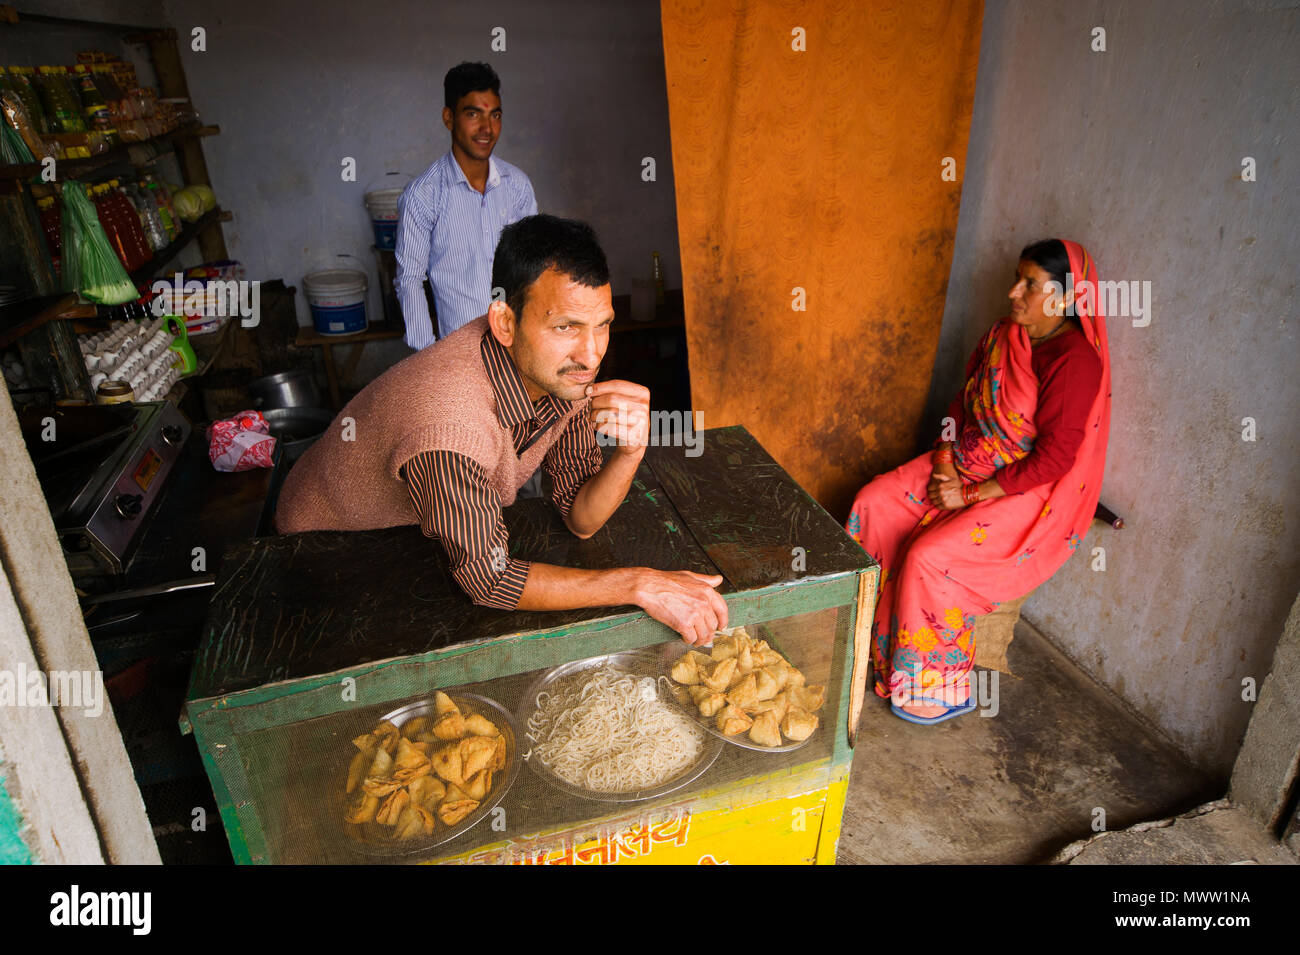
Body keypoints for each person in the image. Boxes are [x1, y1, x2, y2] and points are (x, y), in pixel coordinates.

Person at [276, 214, 728, 645]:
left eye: (602, 326)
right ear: (505, 323)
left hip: (412, 538)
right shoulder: (447, 425)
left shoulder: (559, 375)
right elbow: (490, 580)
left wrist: (630, 454)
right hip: (322, 556)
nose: (590, 355)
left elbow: (580, 519)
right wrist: (640, 584)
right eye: (566, 326)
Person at [845, 239, 1110, 723]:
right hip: (962, 462)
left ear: (1067, 298)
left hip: (1023, 490)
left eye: (1030, 283)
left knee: (932, 558)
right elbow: (960, 405)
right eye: (1017, 277)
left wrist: (967, 495)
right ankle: (868, 641)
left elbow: (1055, 458)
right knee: (875, 501)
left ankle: (935, 685)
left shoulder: (1074, 362)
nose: (1014, 291)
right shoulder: (1004, 336)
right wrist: (944, 462)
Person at [395, 61, 537, 349]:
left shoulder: (517, 186)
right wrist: (428, 357)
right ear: (449, 118)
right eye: (473, 114)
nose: (486, 128)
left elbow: (535, 266)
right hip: (461, 355)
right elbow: (409, 281)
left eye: (494, 115)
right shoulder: (423, 195)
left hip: (519, 346)